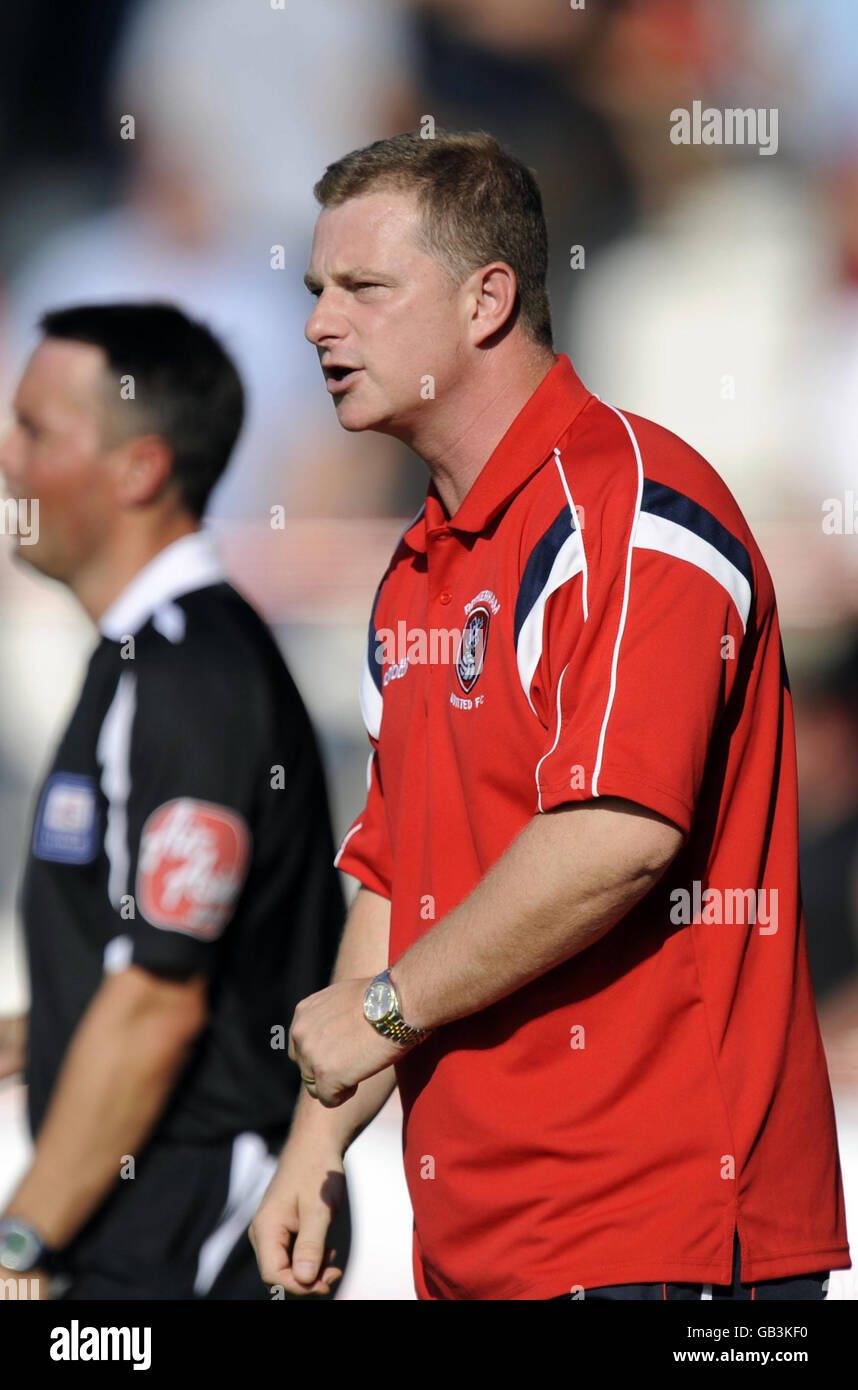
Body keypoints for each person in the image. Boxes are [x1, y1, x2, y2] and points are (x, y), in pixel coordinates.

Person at [250, 130, 851, 1301]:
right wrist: (317, 1144)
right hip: (481, 1244)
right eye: (315, 291)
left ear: (488, 300)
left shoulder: (630, 509)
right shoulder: (419, 567)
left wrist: (381, 1010)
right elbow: (394, 875)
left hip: (660, 1243)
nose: (322, 323)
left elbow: (617, 833)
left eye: (364, 287)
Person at [0, 302, 349, 1300]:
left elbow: (162, 1001)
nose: (6, 457)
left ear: (139, 469)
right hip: (147, 1214)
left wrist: (21, 1237)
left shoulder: (190, 677)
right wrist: (43, 1031)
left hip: (194, 1218)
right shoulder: (151, 660)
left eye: (35, 430)